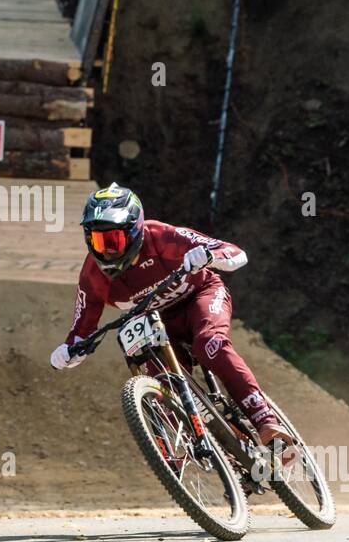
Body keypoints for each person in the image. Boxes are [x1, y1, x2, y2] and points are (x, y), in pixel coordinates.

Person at [49, 184, 295, 451]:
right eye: (97, 241)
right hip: (158, 324)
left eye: (113, 241)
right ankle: (221, 457)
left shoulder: (159, 236)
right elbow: (81, 330)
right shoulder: (92, 276)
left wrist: (210, 256)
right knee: (164, 386)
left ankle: (264, 419)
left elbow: (235, 253)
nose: (106, 251)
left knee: (209, 345)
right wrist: (68, 351)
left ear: (134, 231)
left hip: (200, 296)